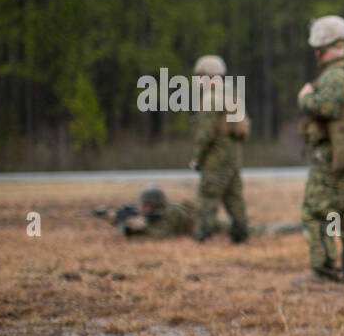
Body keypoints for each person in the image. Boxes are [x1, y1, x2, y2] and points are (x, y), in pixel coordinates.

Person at [297, 15, 344, 283]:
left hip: (332, 156)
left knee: (316, 210)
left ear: (321, 46)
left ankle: (324, 271)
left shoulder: (336, 75)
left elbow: (327, 107)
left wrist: (306, 97)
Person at [189, 55, 250, 243]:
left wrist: (198, 158)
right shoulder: (232, 95)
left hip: (217, 154)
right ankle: (241, 234)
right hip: (234, 154)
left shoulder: (210, 99)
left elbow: (205, 135)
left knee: (208, 195)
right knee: (234, 196)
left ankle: (202, 235)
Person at [94, 186, 299, 239]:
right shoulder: (162, 213)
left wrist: (132, 226)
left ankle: (300, 226)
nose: (144, 210)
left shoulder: (171, 214)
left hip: (216, 226)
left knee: (262, 231)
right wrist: (118, 221)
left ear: (156, 204)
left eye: (147, 206)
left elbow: (161, 234)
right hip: (206, 223)